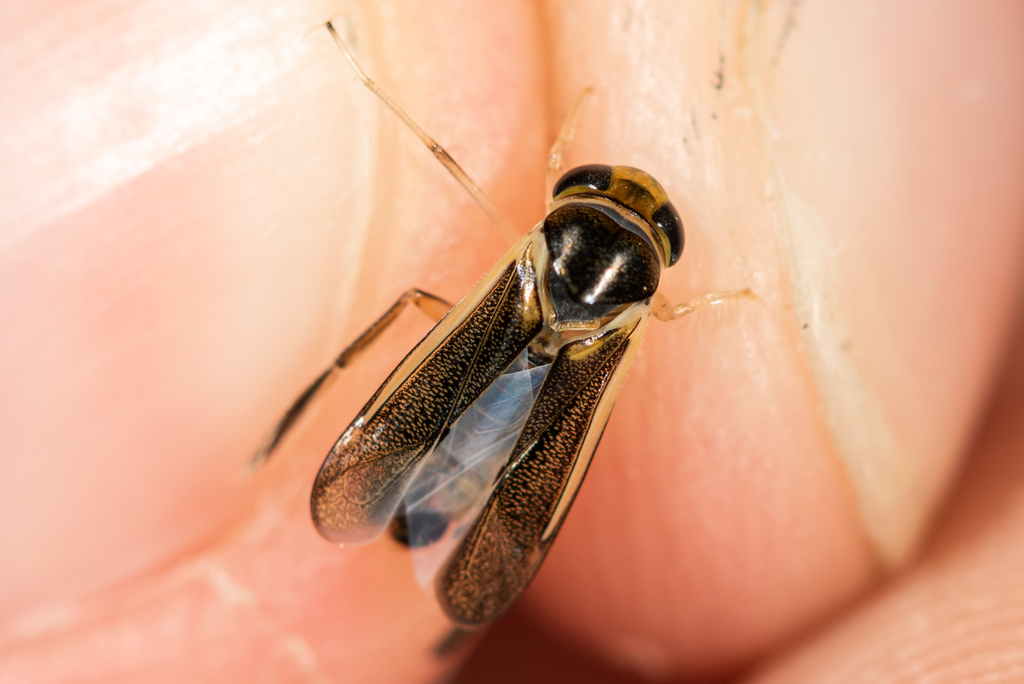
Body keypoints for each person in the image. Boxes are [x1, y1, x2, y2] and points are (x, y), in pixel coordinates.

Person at [1, 1, 1022, 681]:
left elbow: (467, 162)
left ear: (560, 201)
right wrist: (733, 299)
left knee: (413, 301)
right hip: (503, 437)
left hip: (472, 408)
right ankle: (453, 589)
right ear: (655, 266)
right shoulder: (645, 305)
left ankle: (449, 579)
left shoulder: (539, 238)